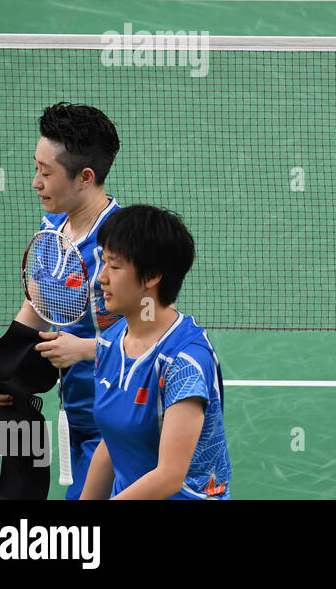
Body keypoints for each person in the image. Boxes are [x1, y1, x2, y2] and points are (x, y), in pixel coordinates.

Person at [0, 102, 122, 499]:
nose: (34, 182)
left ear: (85, 177)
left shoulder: (123, 243)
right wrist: (5, 372)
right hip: (75, 411)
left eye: (46, 173)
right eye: (35, 168)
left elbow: (154, 342)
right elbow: (40, 305)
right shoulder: (53, 227)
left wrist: (84, 349)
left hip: (120, 417)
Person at [80, 204, 230, 500]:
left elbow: (169, 477)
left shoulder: (185, 362)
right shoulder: (111, 343)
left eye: (115, 265)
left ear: (152, 276)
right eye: (104, 263)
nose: (101, 278)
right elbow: (112, 443)